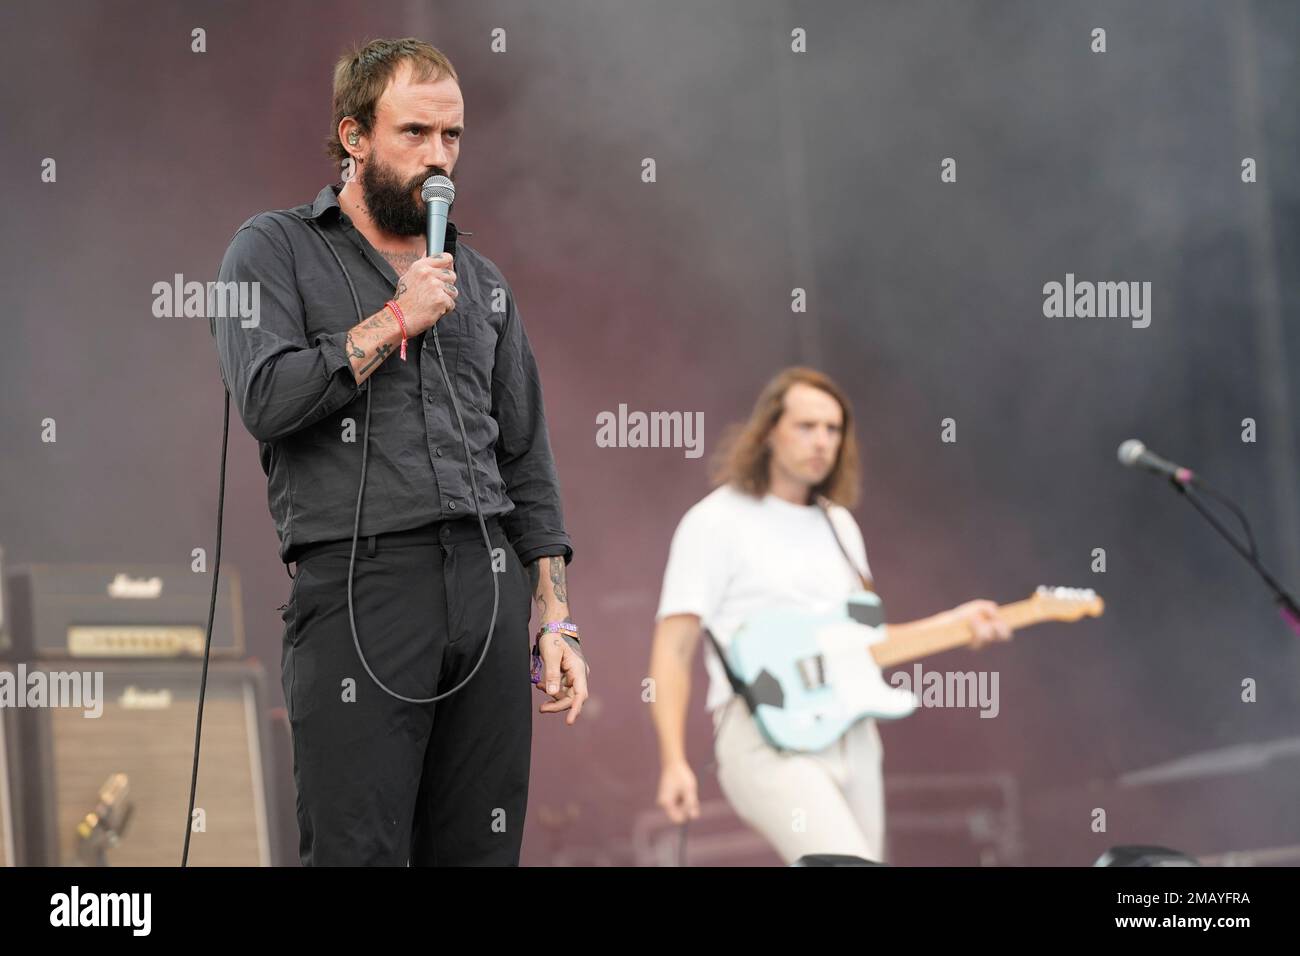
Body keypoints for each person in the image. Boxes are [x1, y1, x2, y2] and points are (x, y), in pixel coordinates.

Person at [213, 38, 588, 866]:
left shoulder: (478, 279)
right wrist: (396, 319)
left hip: (485, 587)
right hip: (361, 584)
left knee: (481, 851)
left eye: (452, 137)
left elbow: (525, 459)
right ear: (354, 136)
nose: (440, 158)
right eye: (416, 133)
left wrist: (556, 616)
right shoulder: (272, 250)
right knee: (358, 848)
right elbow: (267, 399)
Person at [649, 367, 1011, 864]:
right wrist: (673, 761)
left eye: (833, 430)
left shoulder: (839, 524)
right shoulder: (715, 521)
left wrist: (956, 623)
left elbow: (865, 646)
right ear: (769, 431)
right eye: (806, 426)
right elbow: (674, 649)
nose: (822, 441)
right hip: (766, 735)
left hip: (853, 734)